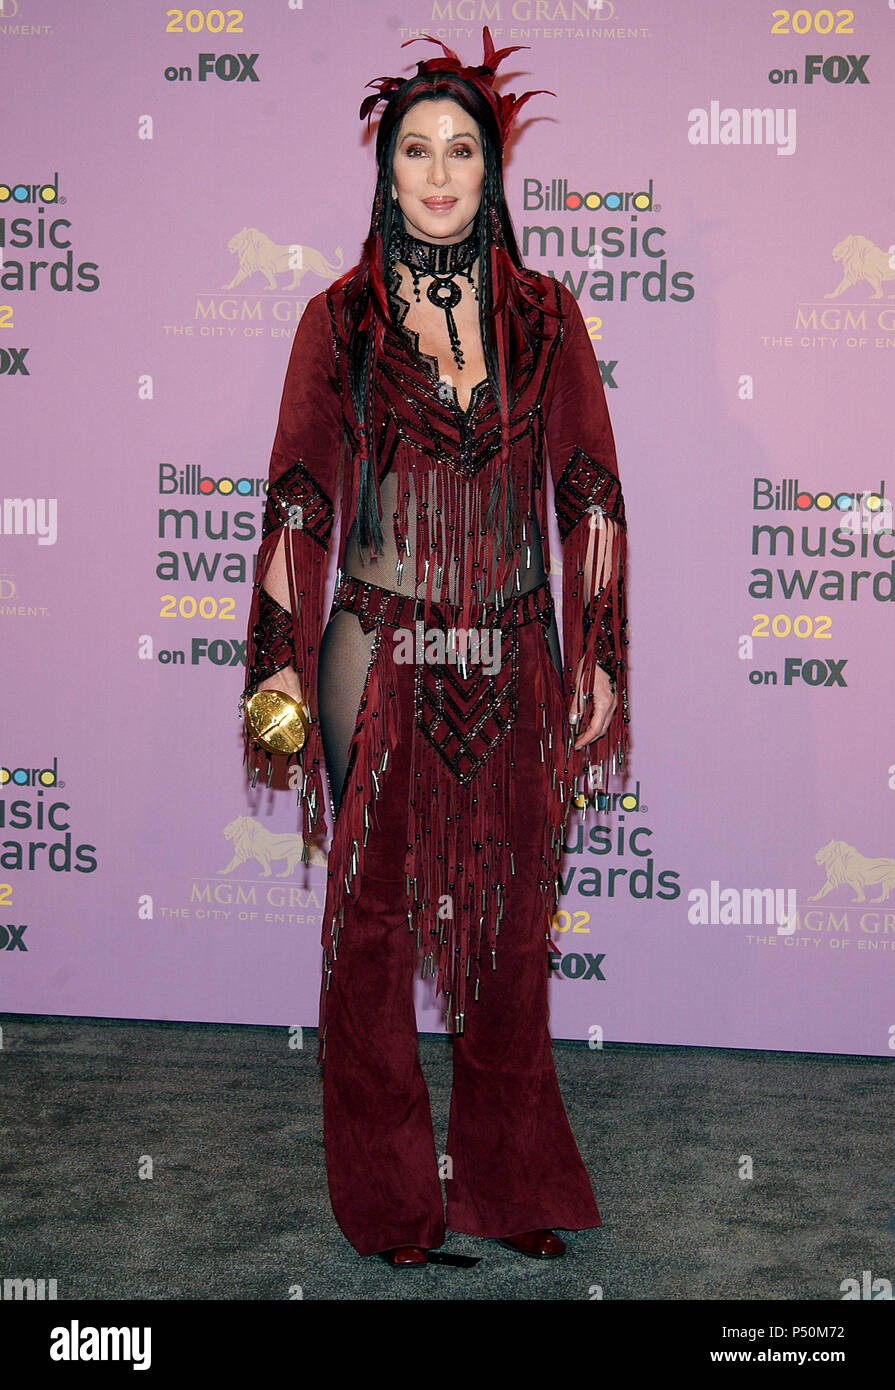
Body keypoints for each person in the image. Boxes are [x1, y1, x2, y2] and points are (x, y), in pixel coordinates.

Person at [241, 28, 629, 1267]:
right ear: (388, 169)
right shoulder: (339, 318)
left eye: (463, 149)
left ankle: (509, 1189)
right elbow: (300, 500)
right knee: (369, 937)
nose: (440, 172)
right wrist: (278, 659)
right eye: (417, 150)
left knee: (512, 937)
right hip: (378, 649)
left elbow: (590, 496)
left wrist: (600, 652)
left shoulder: (546, 316)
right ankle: (392, 1207)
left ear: (490, 170)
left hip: (515, 648)